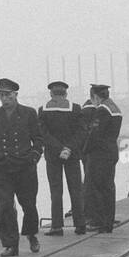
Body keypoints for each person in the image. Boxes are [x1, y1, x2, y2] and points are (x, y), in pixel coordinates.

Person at [0, 78, 43, 257]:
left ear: (15, 95)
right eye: (1, 95)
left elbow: (38, 139)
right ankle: (11, 244)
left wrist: (34, 157)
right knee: (5, 207)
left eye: (7, 95)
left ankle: (31, 234)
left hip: (25, 167)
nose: (4, 98)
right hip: (3, 168)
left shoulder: (29, 113)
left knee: (29, 205)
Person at [38, 80, 86, 237]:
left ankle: (57, 227)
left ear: (51, 94)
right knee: (76, 190)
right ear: (66, 93)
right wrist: (68, 148)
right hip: (71, 155)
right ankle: (80, 225)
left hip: (52, 156)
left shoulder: (43, 111)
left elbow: (43, 135)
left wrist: (58, 148)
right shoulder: (76, 109)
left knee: (56, 191)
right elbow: (81, 132)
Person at [81, 83, 123, 233]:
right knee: (108, 188)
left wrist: (85, 150)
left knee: (97, 188)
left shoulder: (102, 111)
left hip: (99, 155)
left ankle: (99, 221)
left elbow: (95, 134)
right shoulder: (115, 109)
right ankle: (108, 221)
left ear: (96, 97)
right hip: (111, 151)